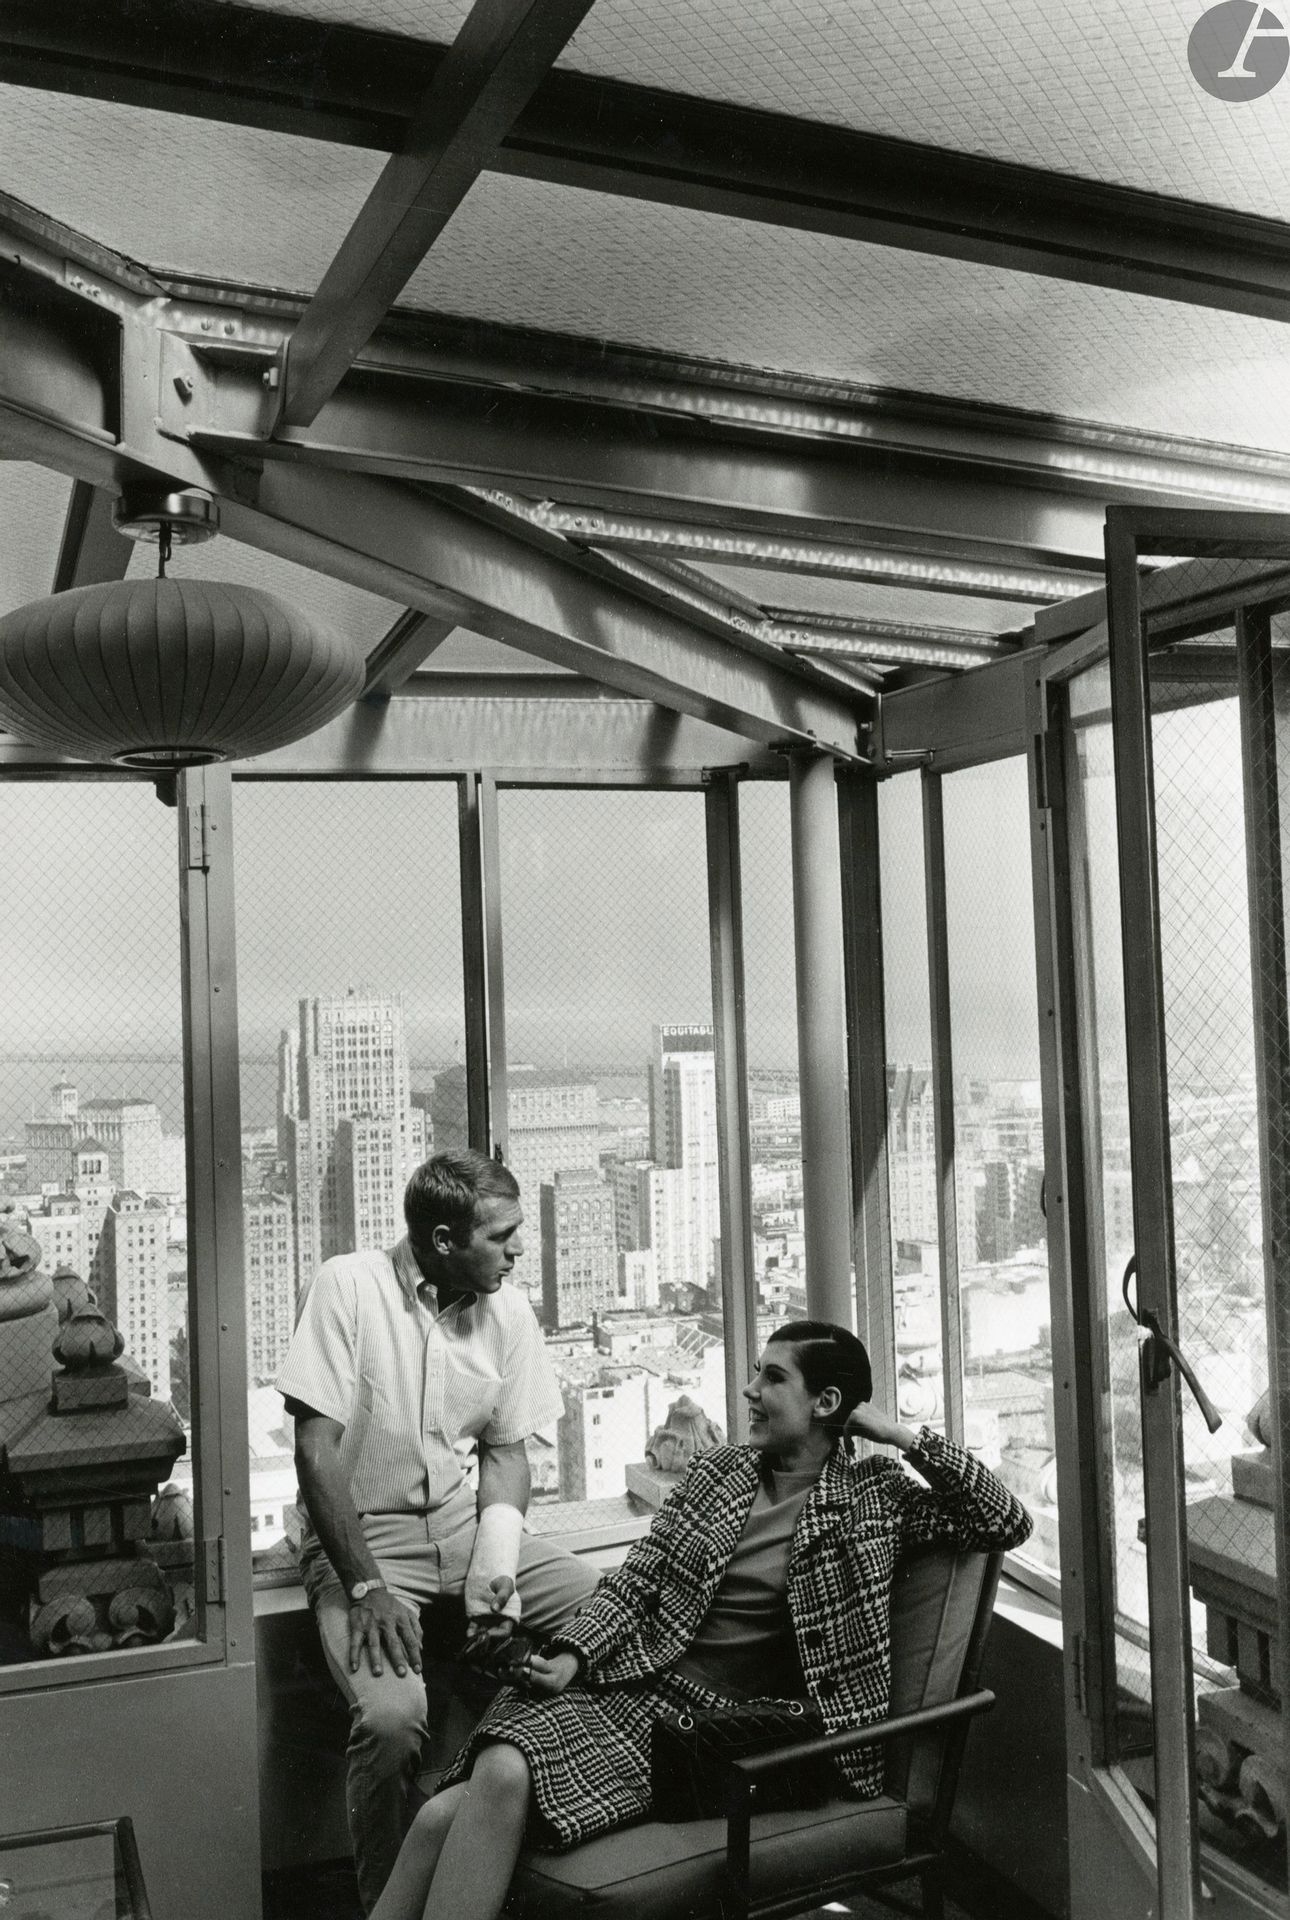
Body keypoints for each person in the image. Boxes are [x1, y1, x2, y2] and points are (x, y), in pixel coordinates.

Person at [369, 1319, 1033, 1920]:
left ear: (827, 1404)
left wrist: (897, 1435)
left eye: (773, 1378)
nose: (749, 1391)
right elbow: (635, 1582)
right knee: (438, 1816)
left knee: (504, 1771)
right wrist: (575, 1652)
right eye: (754, 1373)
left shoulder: (874, 1502)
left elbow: (1005, 1519)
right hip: (636, 1692)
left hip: (728, 1734)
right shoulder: (719, 1475)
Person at [276, 1149, 599, 1913]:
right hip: (365, 1538)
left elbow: (507, 1452)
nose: (520, 1249)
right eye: (503, 1236)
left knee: (603, 1609)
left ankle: (521, 1836)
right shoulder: (347, 1287)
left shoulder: (509, 1312)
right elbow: (313, 1452)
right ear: (446, 1239)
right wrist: (364, 1586)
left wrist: (496, 1579)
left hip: (463, 1526)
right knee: (391, 1723)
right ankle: (391, 1904)